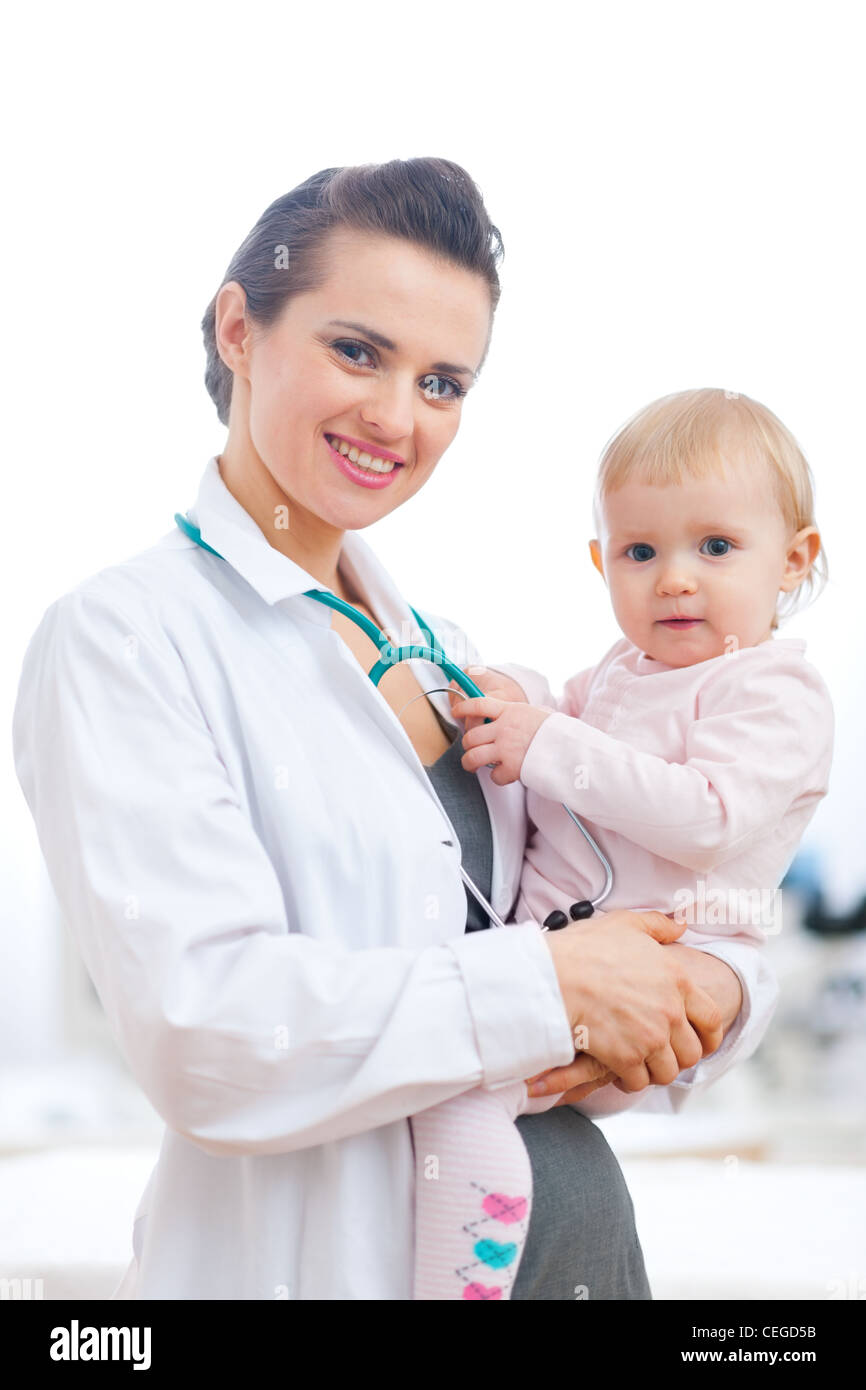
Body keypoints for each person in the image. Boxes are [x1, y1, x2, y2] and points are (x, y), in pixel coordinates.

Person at [11, 159, 770, 1302]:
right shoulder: (125, 639)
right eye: (356, 351)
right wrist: (551, 982)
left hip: (579, 1264)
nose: (394, 417)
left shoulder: (453, 654)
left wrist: (722, 991)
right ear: (238, 329)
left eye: (442, 381)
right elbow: (208, 1036)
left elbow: (637, 905)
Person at [410, 387, 833, 1298]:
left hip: (670, 972)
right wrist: (508, 690)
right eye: (640, 552)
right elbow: (562, 712)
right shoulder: (625, 670)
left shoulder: (772, 694)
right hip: (567, 962)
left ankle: (462, 1278)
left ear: (794, 560)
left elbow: (708, 813)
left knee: (459, 1092)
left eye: (715, 547)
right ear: (602, 560)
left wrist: (546, 743)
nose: (674, 577)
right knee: (453, 1092)